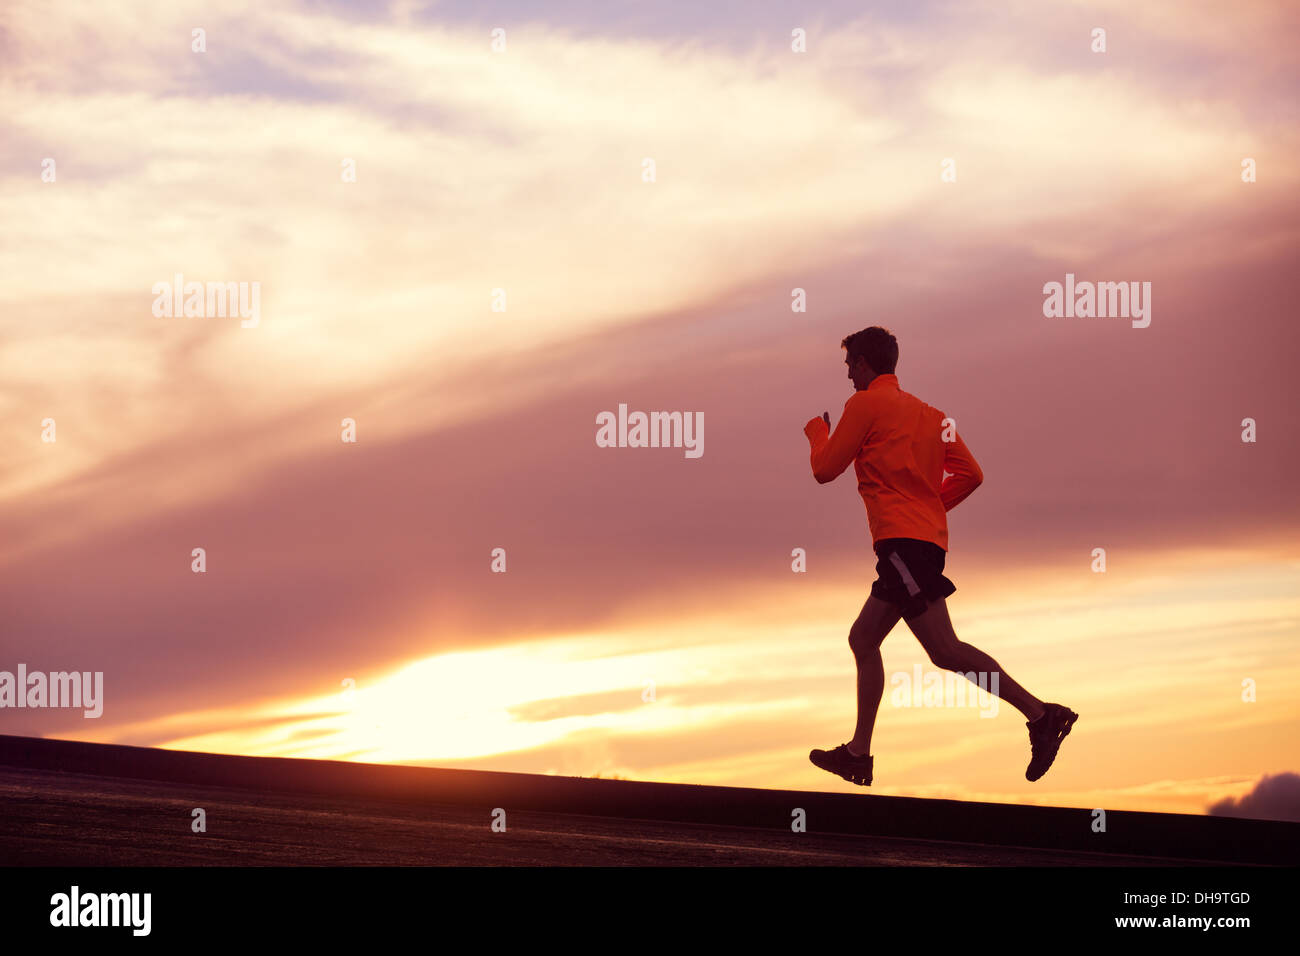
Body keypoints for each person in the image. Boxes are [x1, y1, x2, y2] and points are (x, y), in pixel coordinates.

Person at [803, 326, 1077, 786]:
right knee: (863, 640)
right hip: (919, 544)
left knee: (945, 650)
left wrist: (816, 434)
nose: (848, 373)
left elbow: (825, 470)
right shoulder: (933, 415)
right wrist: (930, 508)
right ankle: (858, 755)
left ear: (867, 364)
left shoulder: (865, 404)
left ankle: (1041, 715)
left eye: (851, 364)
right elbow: (972, 474)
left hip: (902, 544)